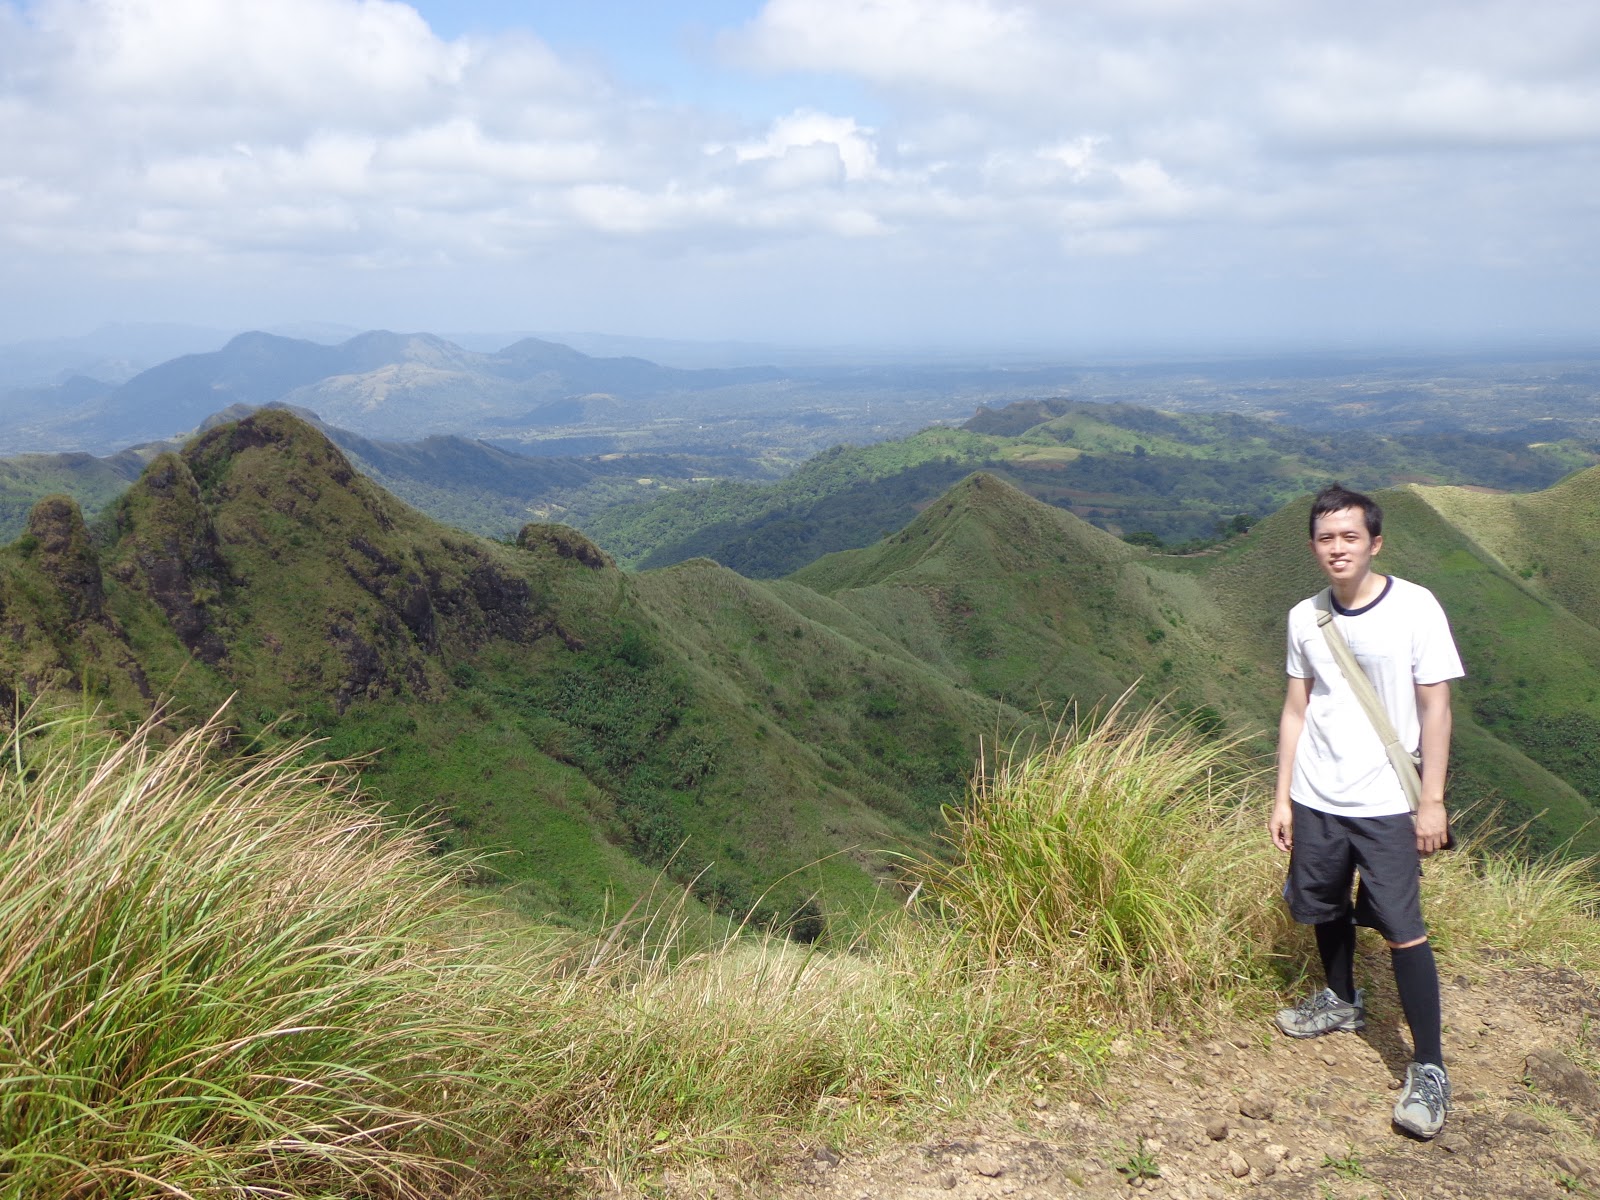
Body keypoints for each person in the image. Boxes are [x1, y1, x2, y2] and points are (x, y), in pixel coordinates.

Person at [1268, 482, 1464, 1139]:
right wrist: (1282, 795)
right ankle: (1341, 998)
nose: (1338, 548)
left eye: (1350, 536)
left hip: (1386, 802)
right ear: (1312, 547)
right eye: (1326, 538)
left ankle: (1429, 1066)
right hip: (1317, 793)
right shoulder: (1304, 617)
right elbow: (1296, 708)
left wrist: (1431, 800)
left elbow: (1436, 707)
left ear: (1375, 543)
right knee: (1323, 904)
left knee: (1403, 928)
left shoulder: (1415, 606)